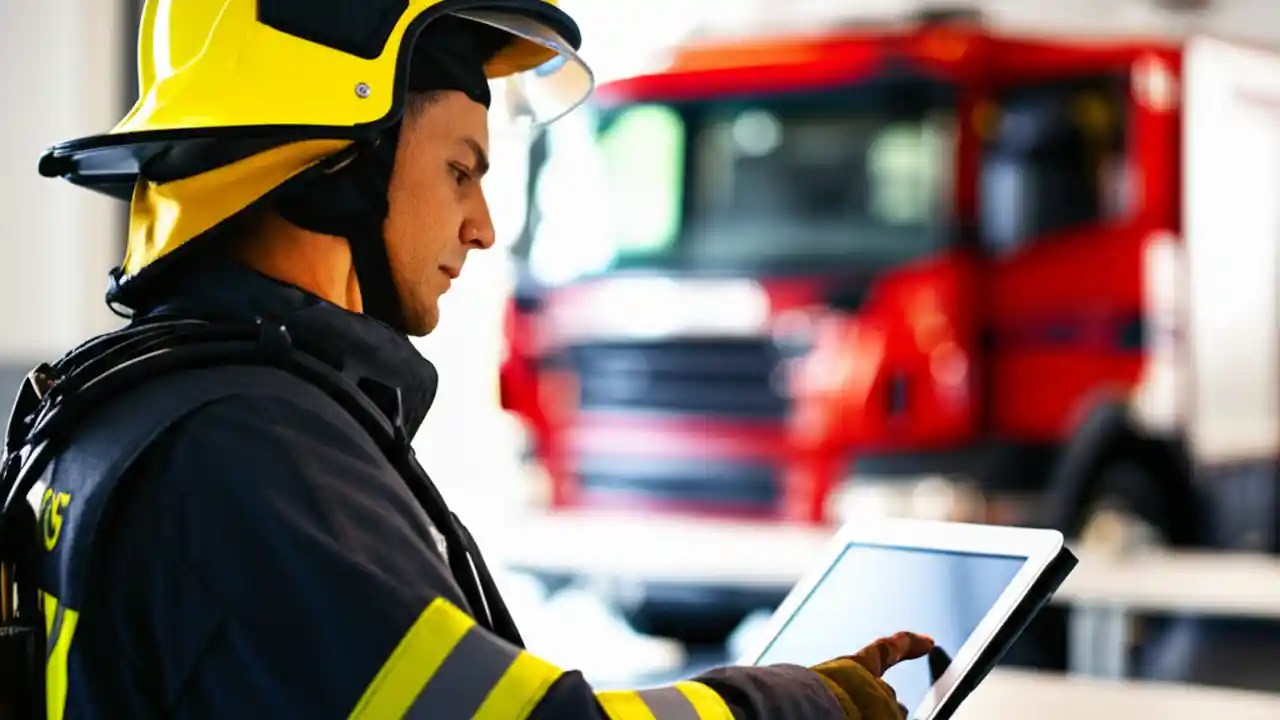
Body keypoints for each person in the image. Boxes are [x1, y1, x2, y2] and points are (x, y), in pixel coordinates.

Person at [27, 1, 933, 717]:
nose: (483, 226)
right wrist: (791, 706)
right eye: (461, 170)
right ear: (341, 163)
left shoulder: (137, 408)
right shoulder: (255, 451)